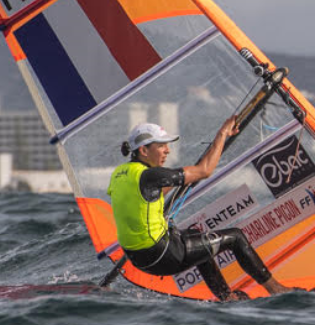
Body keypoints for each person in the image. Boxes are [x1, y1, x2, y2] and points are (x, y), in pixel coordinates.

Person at [107, 116, 296, 301]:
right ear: (144, 150)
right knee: (236, 237)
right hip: (163, 254)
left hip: (138, 258)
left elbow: (143, 199)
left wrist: (183, 179)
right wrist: (222, 134)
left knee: (197, 238)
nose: (167, 151)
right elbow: (205, 170)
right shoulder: (150, 175)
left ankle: (226, 297)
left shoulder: (119, 175)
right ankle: (276, 289)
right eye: (161, 146)